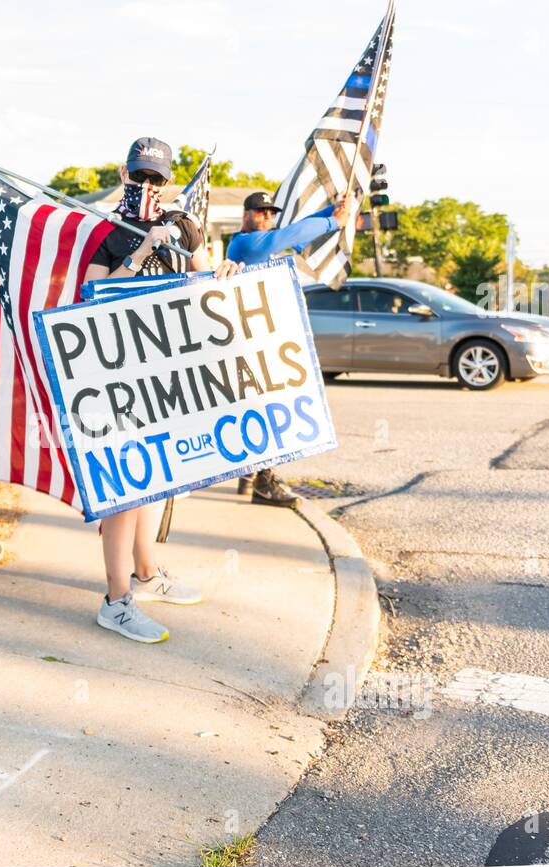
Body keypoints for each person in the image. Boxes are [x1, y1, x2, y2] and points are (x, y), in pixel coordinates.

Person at [80, 137, 241, 644]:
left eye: (155, 178)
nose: (146, 185)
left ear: (166, 182)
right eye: (138, 176)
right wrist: (142, 250)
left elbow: (203, 279)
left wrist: (222, 272)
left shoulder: (186, 226)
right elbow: (91, 298)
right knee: (123, 490)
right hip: (116, 376)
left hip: (165, 374)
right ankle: (116, 599)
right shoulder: (108, 233)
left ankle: (146, 574)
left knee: (156, 479)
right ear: (125, 175)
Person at [226, 190, 351, 507]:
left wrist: (330, 210)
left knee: (259, 408)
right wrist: (333, 222)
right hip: (248, 340)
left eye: (270, 212)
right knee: (268, 409)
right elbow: (285, 236)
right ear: (246, 214)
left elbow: (296, 228)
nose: (267, 216)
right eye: (260, 212)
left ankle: (250, 475)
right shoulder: (245, 244)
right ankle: (263, 485)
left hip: (262, 338)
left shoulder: (266, 241)